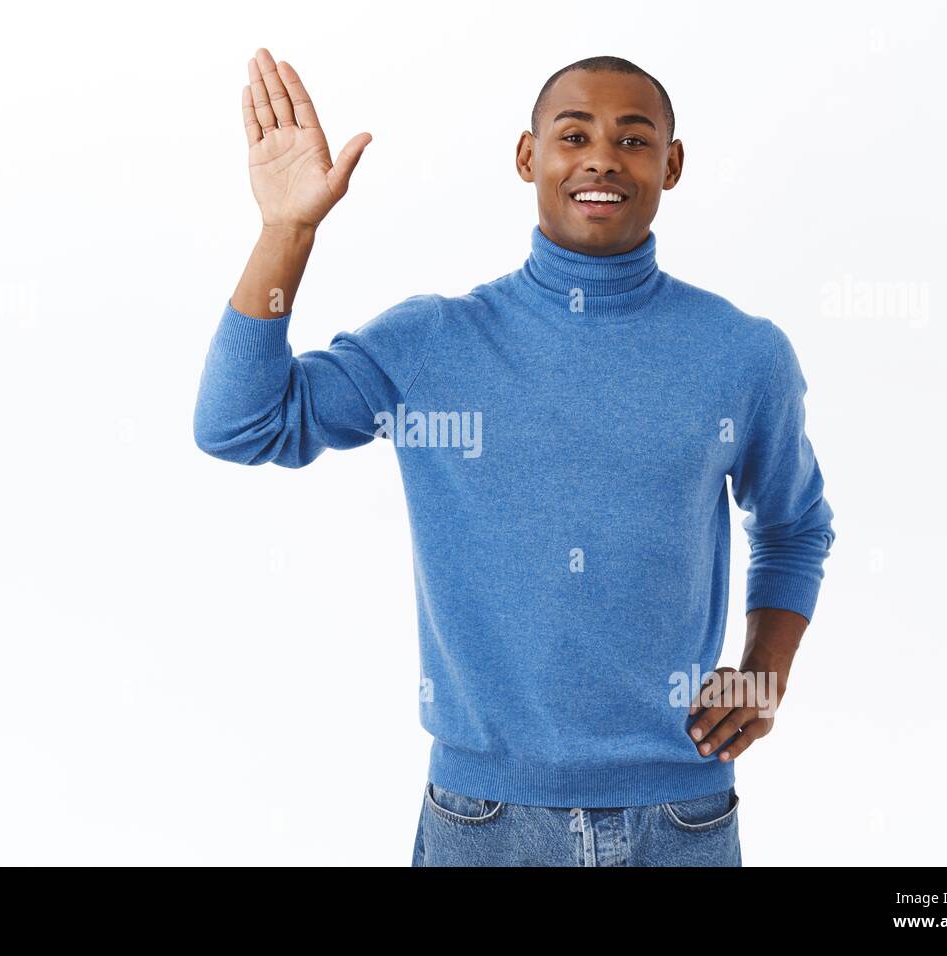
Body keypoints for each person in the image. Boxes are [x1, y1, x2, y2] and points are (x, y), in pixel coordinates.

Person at [194, 48, 836, 867]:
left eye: (634, 140)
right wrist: (287, 231)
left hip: (680, 817)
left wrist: (765, 674)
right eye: (574, 135)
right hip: (484, 823)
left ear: (671, 166)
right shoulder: (432, 343)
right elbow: (240, 424)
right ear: (529, 157)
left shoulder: (742, 355)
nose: (603, 156)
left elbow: (793, 525)